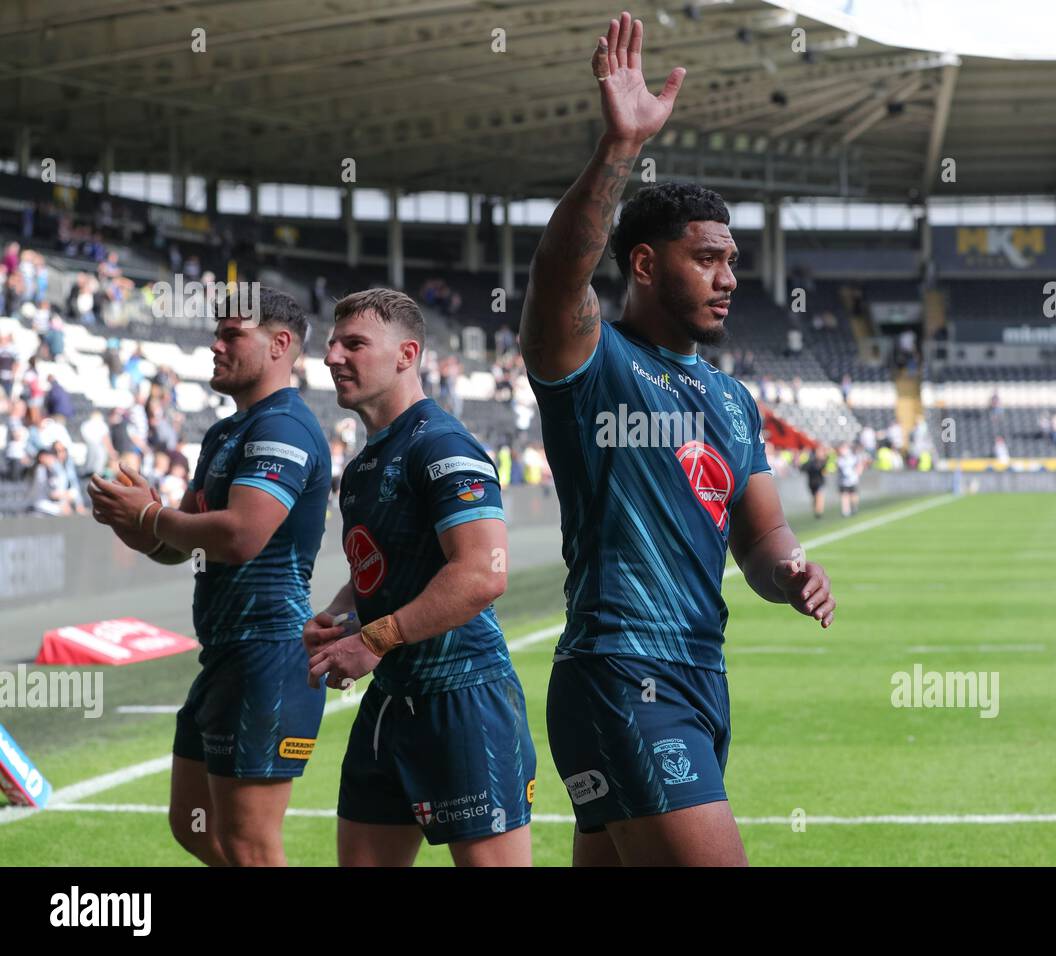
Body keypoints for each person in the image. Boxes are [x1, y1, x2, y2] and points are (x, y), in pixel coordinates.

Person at [519, 11, 834, 867]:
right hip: (624, 669)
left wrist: (790, 571)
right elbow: (557, 274)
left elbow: (761, 536)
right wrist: (620, 148)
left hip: (698, 672)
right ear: (646, 265)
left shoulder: (731, 399)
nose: (729, 279)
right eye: (706, 259)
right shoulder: (593, 359)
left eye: (732, 260)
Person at [87, 288, 332, 867]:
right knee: (195, 827)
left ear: (279, 345)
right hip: (226, 655)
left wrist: (153, 517)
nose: (215, 346)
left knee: (249, 844)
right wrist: (142, 529)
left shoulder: (285, 427)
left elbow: (241, 536)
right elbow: (189, 541)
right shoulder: (226, 433)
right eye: (215, 335)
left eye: (231, 335)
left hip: (269, 652)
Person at [308, 288, 534, 867]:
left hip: (463, 700)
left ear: (407, 354)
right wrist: (339, 617)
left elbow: (482, 574)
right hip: (390, 701)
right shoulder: (362, 466)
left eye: (354, 344)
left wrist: (374, 638)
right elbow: (380, 573)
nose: (332, 356)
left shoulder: (442, 444)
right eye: (332, 344)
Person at [836, 443, 862, 517]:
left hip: (852, 480)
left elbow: (859, 465)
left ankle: (854, 507)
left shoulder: (852, 457)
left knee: (853, 495)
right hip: (843, 481)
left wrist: (858, 472)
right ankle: (845, 511)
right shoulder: (839, 459)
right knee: (844, 495)